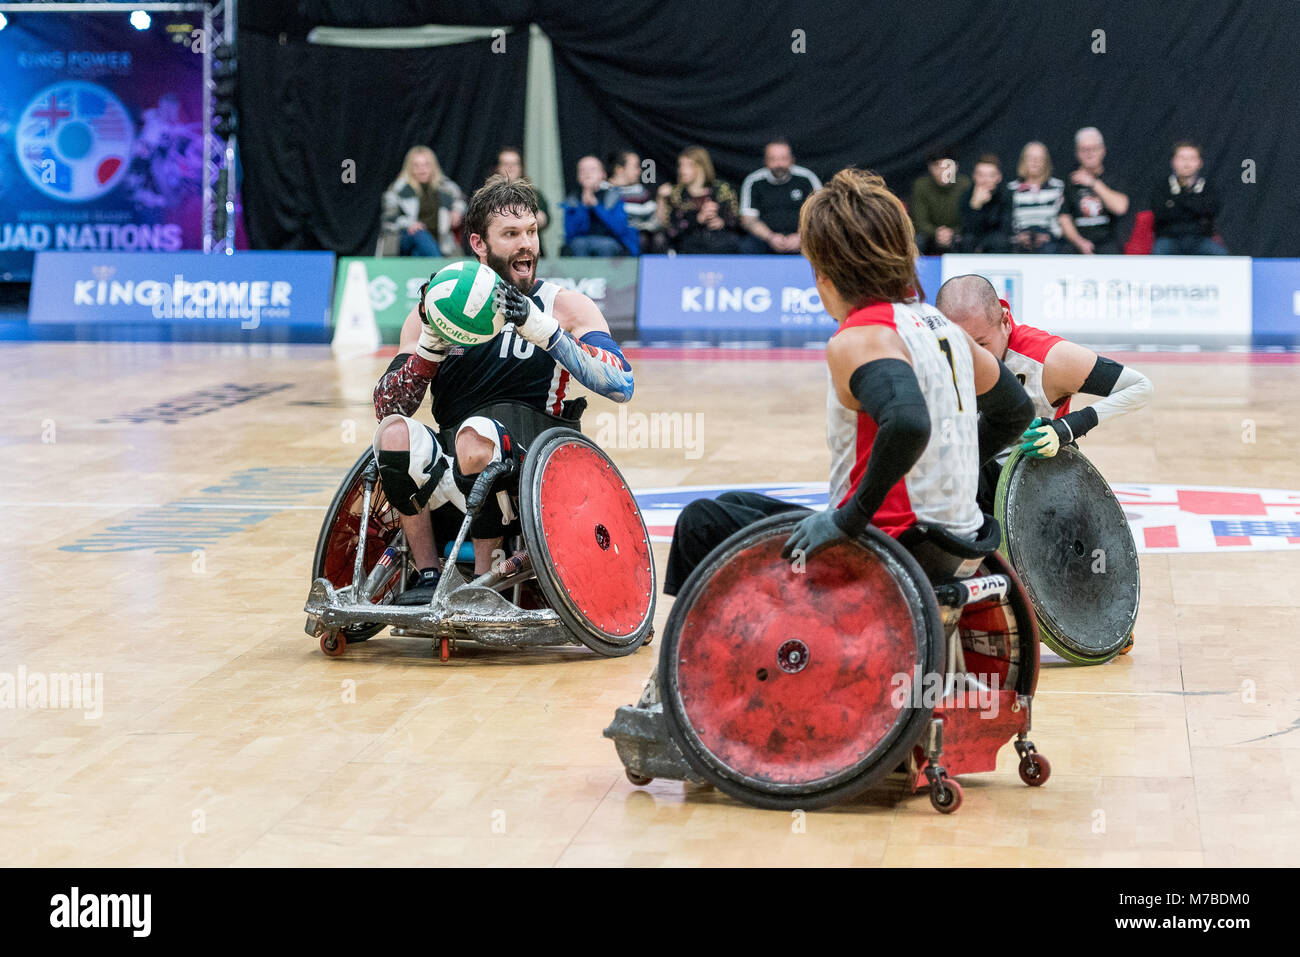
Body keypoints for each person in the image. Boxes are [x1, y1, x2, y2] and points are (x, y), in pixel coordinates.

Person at [664, 169, 1034, 595]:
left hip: (889, 551)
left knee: (700, 522)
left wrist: (848, 517)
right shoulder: (943, 327)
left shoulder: (859, 338)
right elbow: (1016, 411)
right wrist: (959, 459)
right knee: (733, 507)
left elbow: (909, 422)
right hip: (957, 544)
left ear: (824, 271)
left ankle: (691, 657)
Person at [371, 176, 636, 603]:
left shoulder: (563, 307)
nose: (527, 244)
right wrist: (426, 352)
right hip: (456, 465)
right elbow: (388, 405)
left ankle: (482, 580)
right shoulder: (436, 309)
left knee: (476, 435)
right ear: (479, 243)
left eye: (531, 231)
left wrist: (542, 329)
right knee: (394, 435)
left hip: (533, 469)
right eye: (511, 235)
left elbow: (621, 384)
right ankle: (425, 574)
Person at [933, 273, 1154, 509]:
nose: (970, 356)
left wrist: (1066, 428)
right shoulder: (930, 349)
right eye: (959, 345)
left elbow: (1140, 387)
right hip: (973, 472)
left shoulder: (1048, 358)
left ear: (1006, 322)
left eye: (981, 344)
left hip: (1035, 476)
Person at [657, 146, 746, 254]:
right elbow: (669, 229)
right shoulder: (676, 194)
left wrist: (722, 222)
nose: (682, 170)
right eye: (681, 165)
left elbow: (737, 220)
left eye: (689, 165)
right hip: (688, 245)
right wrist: (698, 219)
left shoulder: (722, 191)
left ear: (701, 167)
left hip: (720, 243)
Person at [738, 139, 822, 254]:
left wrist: (800, 237)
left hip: (803, 237)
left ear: (792, 160)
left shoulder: (806, 178)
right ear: (765, 161)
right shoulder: (754, 181)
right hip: (766, 239)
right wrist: (770, 237)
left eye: (783, 158)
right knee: (746, 246)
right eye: (773, 159)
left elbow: (820, 214)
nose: (778, 164)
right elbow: (749, 220)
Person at [382, 146, 466, 257]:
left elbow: (461, 201)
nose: (422, 169)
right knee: (419, 233)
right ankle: (437, 266)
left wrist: (457, 211)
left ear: (433, 166)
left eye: (426, 164)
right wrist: (408, 224)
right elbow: (389, 220)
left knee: (417, 253)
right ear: (410, 168)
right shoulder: (399, 189)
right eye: (416, 165)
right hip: (406, 240)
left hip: (439, 242)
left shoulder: (446, 188)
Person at [1058, 128, 1129, 255]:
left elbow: (1120, 208)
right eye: (1084, 150)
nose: (1089, 154)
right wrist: (1079, 241)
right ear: (1077, 153)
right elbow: (1064, 218)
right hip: (1077, 243)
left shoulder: (1113, 179)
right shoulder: (1069, 181)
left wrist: (1093, 183)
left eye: (1094, 149)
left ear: (1102, 150)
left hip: (1108, 242)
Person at [1149, 142, 1227, 255]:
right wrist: (1193, 204)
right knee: (1159, 252)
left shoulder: (1208, 188)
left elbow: (1211, 211)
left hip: (1201, 239)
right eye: (1182, 158)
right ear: (1173, 162)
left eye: (1192, 158)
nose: (1187, 163)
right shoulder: (1162, 188)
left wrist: (1175, 202)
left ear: (1200, 162)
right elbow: (1161, 213)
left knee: (1220, 254)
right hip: (1169, 239)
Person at [560, 155, 639, 256]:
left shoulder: (614, 196)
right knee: (578, 245)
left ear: (603, 174)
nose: (587, 174)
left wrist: (596, 206)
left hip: (610, 242)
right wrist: (584, 207)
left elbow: (619, 228)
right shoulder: (572, 200)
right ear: (578, 176)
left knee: (605, 246)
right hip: (581, 242)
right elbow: (571, 233)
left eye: (592, 170)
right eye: (583, 170)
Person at [909, 145, 970, 255]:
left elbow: (969, 220)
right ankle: (915, 271)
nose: (943, 171)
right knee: (917, 241)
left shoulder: (965, 185)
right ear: (930, 168)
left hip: (958, 234)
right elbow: (919, 221)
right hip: (929, 235)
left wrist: (952, 232)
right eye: (937, 165)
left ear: (956, 166)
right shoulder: (921, 185)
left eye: (947, 166)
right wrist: (936, 232)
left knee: (970, 239)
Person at [1007, 142, 1064, 253]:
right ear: (1023, 161)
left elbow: (1062, 220)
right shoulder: (1011, 189)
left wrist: (1050, 236)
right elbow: (1008, 221)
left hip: (1050, 241)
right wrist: (1018, 237)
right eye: (1030, 158)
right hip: (1020, 239)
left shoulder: (1059, 187)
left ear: (1046, 162)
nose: (1035, 162)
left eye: (1040, 158)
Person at [606, 149, 664, 252]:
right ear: (620, 169)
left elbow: (655, 220)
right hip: (616, 238)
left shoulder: (640, 191)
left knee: (658, 238)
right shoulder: (604, 190)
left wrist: (661, 198)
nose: (639, 171)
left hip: (642, 237)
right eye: (635, 167)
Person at [958, 153, 1012, 253]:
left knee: (999, 241)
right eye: (981, 175)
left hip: (998, 243)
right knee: (966, 241)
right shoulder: (966, 196)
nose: (985, 180)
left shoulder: (1005, 195)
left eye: (991, 175)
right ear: (974, 176)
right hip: (972, 242)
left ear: (999, 177)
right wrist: (975, 206)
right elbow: (966, 229)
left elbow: (1005, 228)